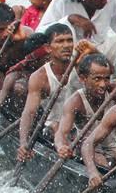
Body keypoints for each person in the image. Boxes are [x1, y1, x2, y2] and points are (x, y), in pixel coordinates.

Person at [15, 24, 81, 164]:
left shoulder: (81, 66)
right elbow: (29, 112)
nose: (66, 45)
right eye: (60, 41)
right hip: (53, 129)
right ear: (48, 48)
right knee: (57, 126)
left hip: (81, 124)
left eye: (69, 40)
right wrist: (23, 143)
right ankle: (67, 153)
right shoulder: (40, 77)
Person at [53, 52, 114, 161]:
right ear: (82, 79)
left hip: (112, 146)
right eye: (97, 79)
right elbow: (61, 133)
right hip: (88, 149)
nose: (103, 85)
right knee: (100, 160)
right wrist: (61, 147)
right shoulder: (75, 102)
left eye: (106, 79)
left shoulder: (114, 91)